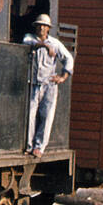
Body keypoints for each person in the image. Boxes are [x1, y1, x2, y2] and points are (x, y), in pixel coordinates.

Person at [22, 13, 73, 157]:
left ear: (48, 28)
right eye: (39, 25)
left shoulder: (56, 44)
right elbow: (27, 43)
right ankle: (29, 145)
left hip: (49, 85)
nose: (41, 28)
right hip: (33, 83)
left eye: (44, 26)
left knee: (46, 116)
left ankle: (39, 147)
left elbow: (68, 59)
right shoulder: (30, 38)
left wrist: (63, 77)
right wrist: (44, 46)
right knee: (30, 115)